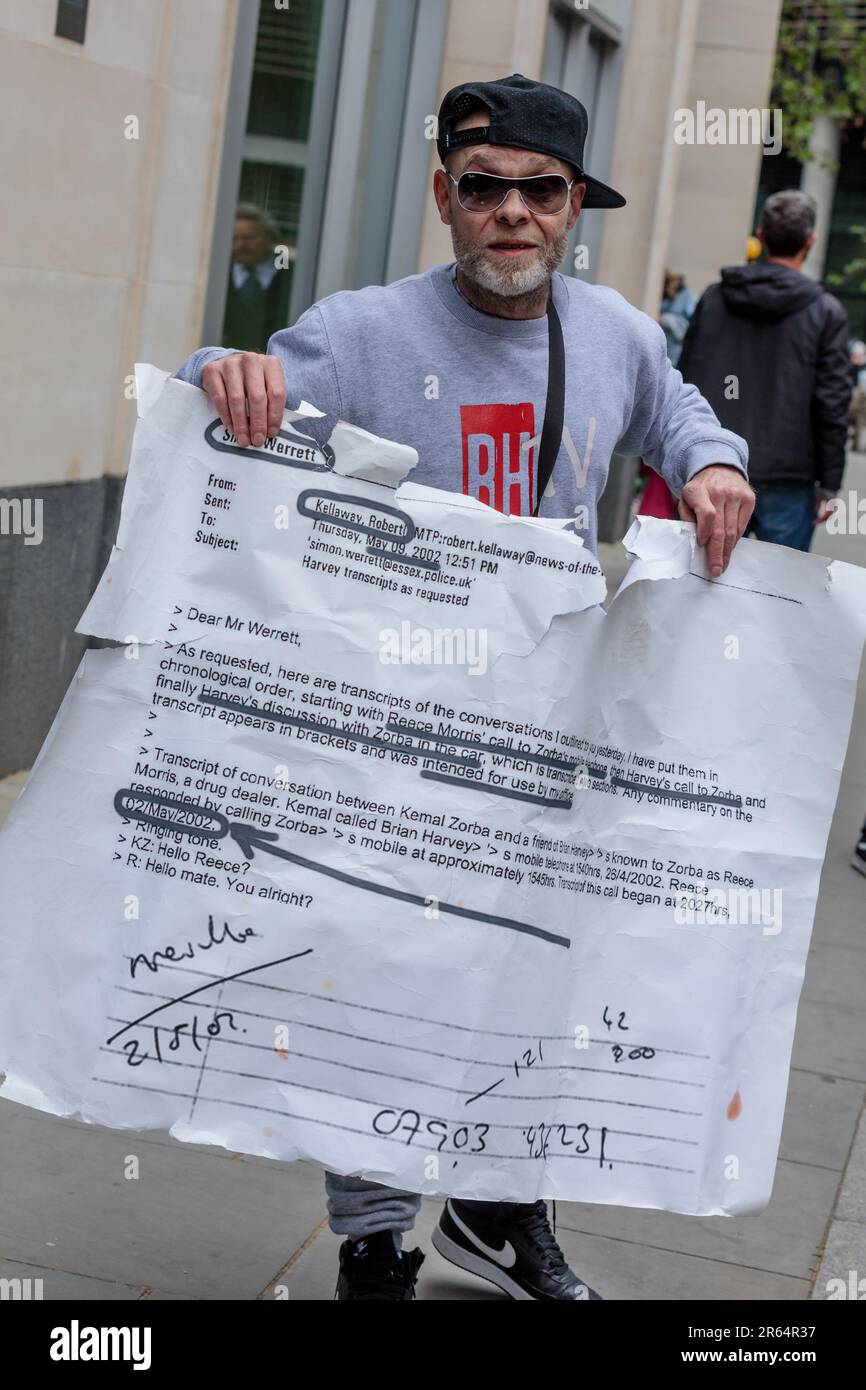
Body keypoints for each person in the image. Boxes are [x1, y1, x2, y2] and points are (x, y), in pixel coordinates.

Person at [174, 73, 754, 1301]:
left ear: (571, 206)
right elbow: (206, 414)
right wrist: (221, 369)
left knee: (530, 971)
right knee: (370, 973)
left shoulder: (615, 336)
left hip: (546, 725)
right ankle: (374, 1235)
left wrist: (708, 465)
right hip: (388, 730)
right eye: (482, 187)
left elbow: (683, 413)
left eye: (538, 191)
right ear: (444, 197)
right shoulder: (362, 331)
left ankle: (496, 1209)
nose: (511, 212)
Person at [678, 189, 851, 552]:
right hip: (788, 476)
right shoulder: (825, 312)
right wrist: (830, 483)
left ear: (760, 237)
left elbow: (684, 378)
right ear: (810, 241)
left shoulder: (715, 297)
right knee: (778, 598)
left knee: (701, 589)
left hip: (715, 463)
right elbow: (831, 403)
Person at [222, 203, 293, 353]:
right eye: (234, 238)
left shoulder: (290, 275)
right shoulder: (219, 272)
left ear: (270, 237)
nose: (240, 245)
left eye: (249, 238)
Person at [658, 270, 697, 367]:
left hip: (675, 355)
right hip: (661, 352)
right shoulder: (664, 298)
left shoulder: (688, 296)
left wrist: (666, 320)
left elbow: (690, 329)